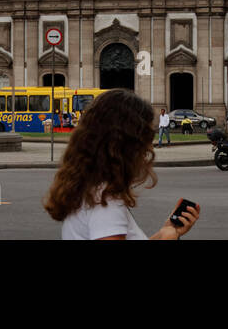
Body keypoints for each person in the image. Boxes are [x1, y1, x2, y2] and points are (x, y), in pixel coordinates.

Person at [44, 89, 200, 240]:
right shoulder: (105, 202)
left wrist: (164, 232)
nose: (148, 149)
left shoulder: (91, 190)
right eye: (145, 139)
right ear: (128, 145)